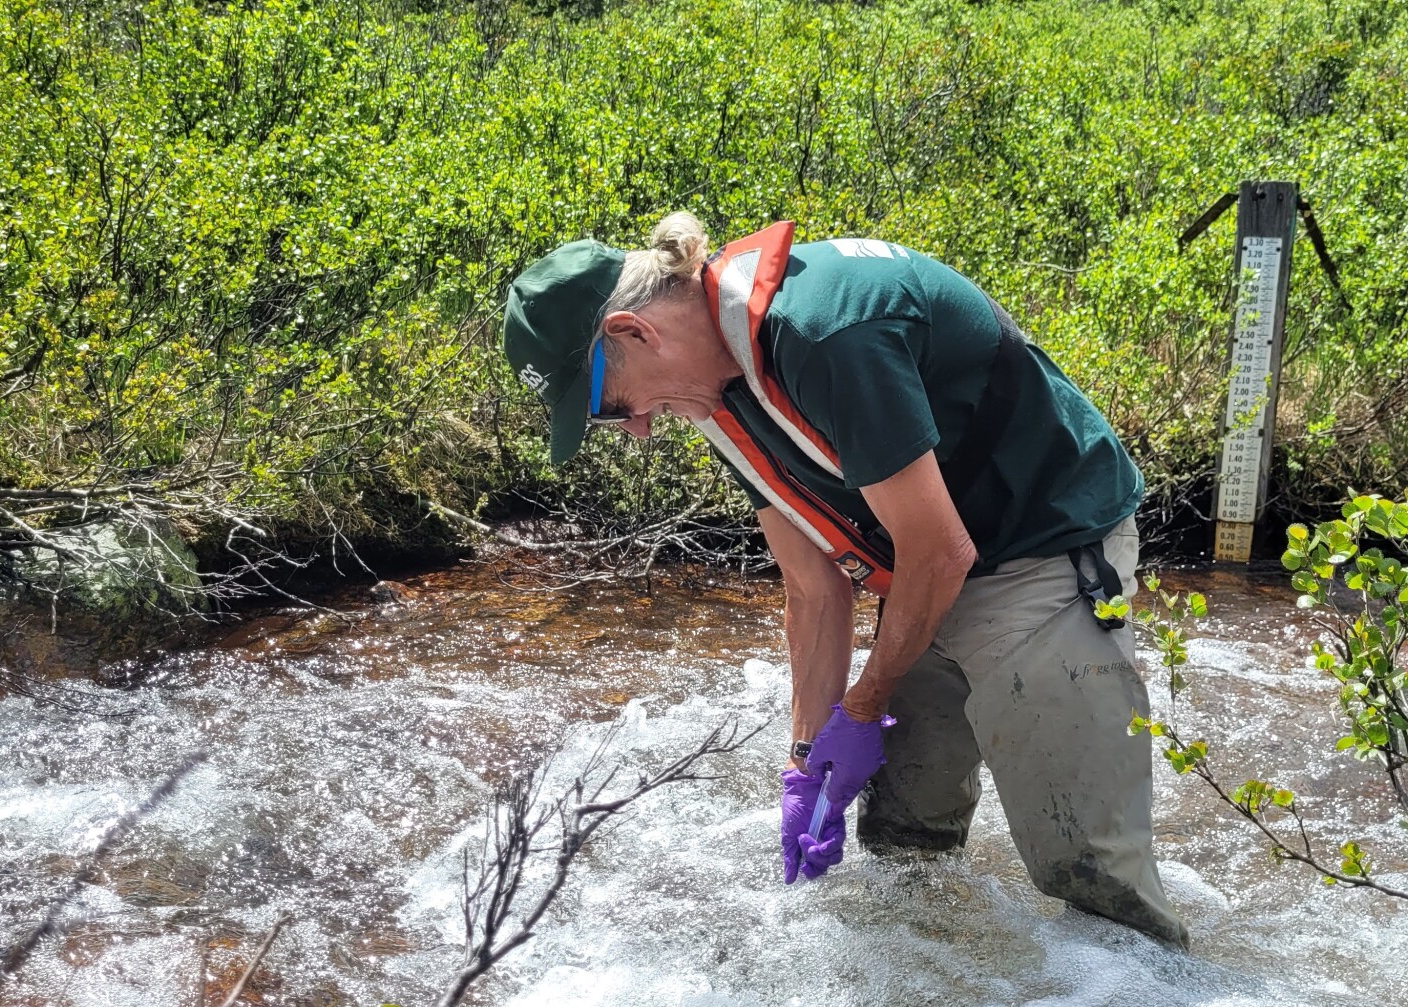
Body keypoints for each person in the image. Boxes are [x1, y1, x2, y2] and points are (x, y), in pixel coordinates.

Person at [503, 214, 1187, 947]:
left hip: (1044, 544)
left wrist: (860, 711)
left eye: (611, 406)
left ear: (635, 332)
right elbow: (813, 587)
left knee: (1088, 875)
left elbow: (938, 554)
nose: (636, 429)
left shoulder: (825, 334)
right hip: (935, 561)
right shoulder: (713, 389)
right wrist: (806, 763)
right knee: (900, 841)